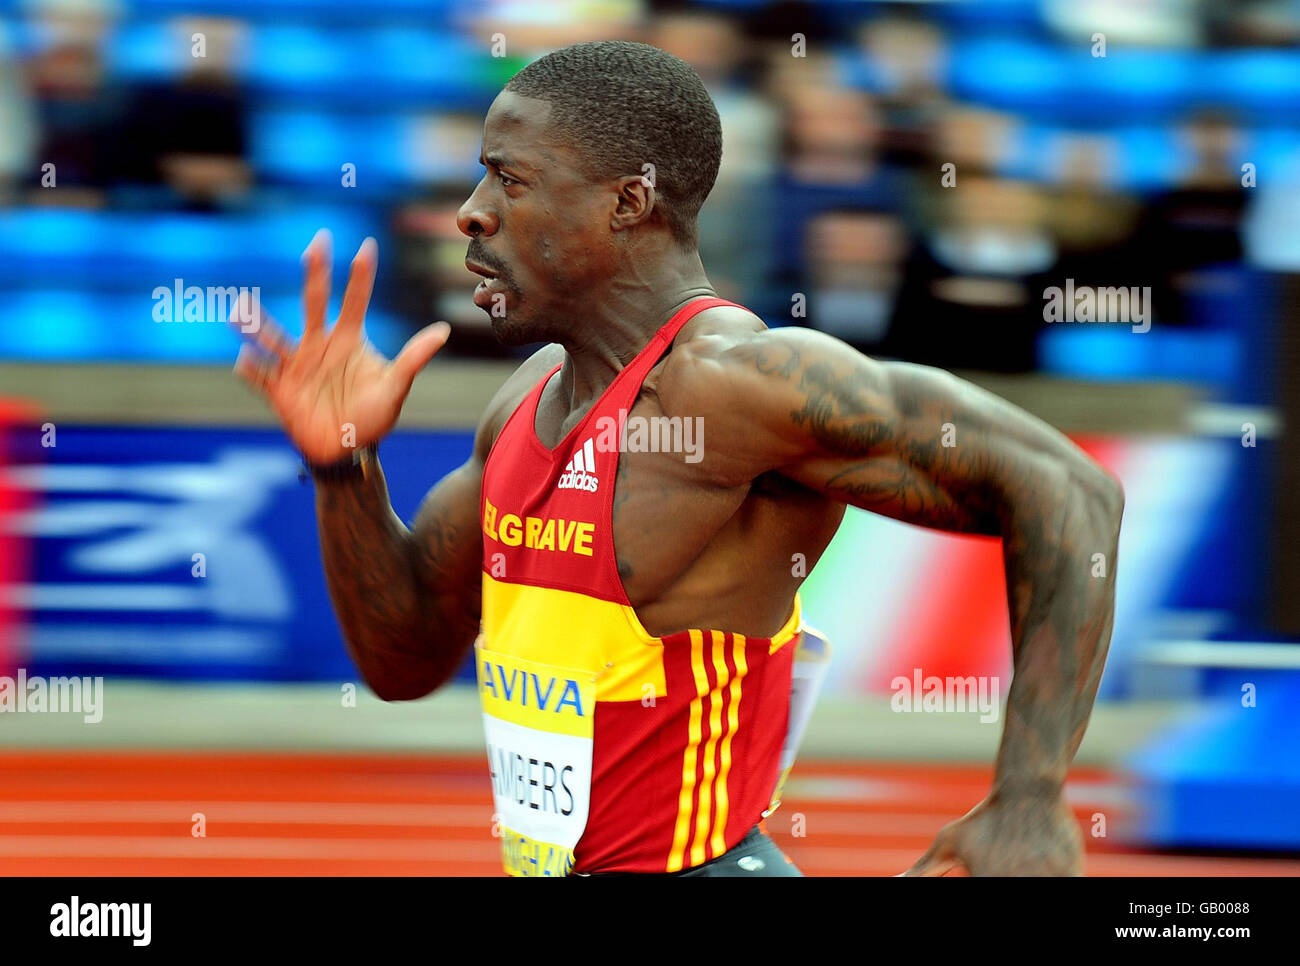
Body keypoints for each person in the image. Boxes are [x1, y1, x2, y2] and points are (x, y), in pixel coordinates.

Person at [231, 41, 1124, 877]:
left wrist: (1030, 795)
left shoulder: (739, 384)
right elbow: (405, 658)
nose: (471, 209)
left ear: (627, 202)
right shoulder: (530, 401)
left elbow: (1070, 491)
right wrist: (347, 467)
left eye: (509, 178)